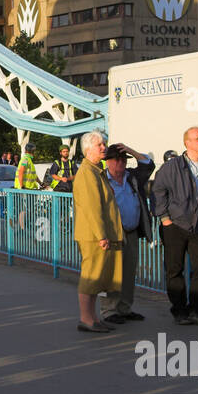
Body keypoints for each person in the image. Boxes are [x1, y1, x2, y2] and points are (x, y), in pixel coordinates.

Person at [151, 126, 198, 325]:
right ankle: (179, 310)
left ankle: (195, 308)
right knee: (174, 269)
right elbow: (157, 190)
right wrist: (164, 217)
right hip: (175, 225)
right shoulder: (172, 167)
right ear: (187, 143)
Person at [72, 130, 123, 333]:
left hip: (96, 234)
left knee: (96, 279)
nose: (104, 148)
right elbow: (92, 208)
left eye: (104, 144)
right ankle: (86, 319)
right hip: (93, 236)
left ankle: (93, 318)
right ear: (87, 149)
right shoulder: (87, 173)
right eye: (100, 145)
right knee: (90, 278)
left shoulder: (95, 171)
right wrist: (101, 235)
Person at [100, 142, 154, 325]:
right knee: (112, 273)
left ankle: (124, 307)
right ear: (108, 161)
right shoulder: (102, 180)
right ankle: (109, 310)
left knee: (129, 272)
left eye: (124, 159)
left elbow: (148, 165)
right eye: (117, 159)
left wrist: (131, 150)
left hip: (131, 231)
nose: (121, 163)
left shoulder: (132, 177)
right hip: (113, 232)